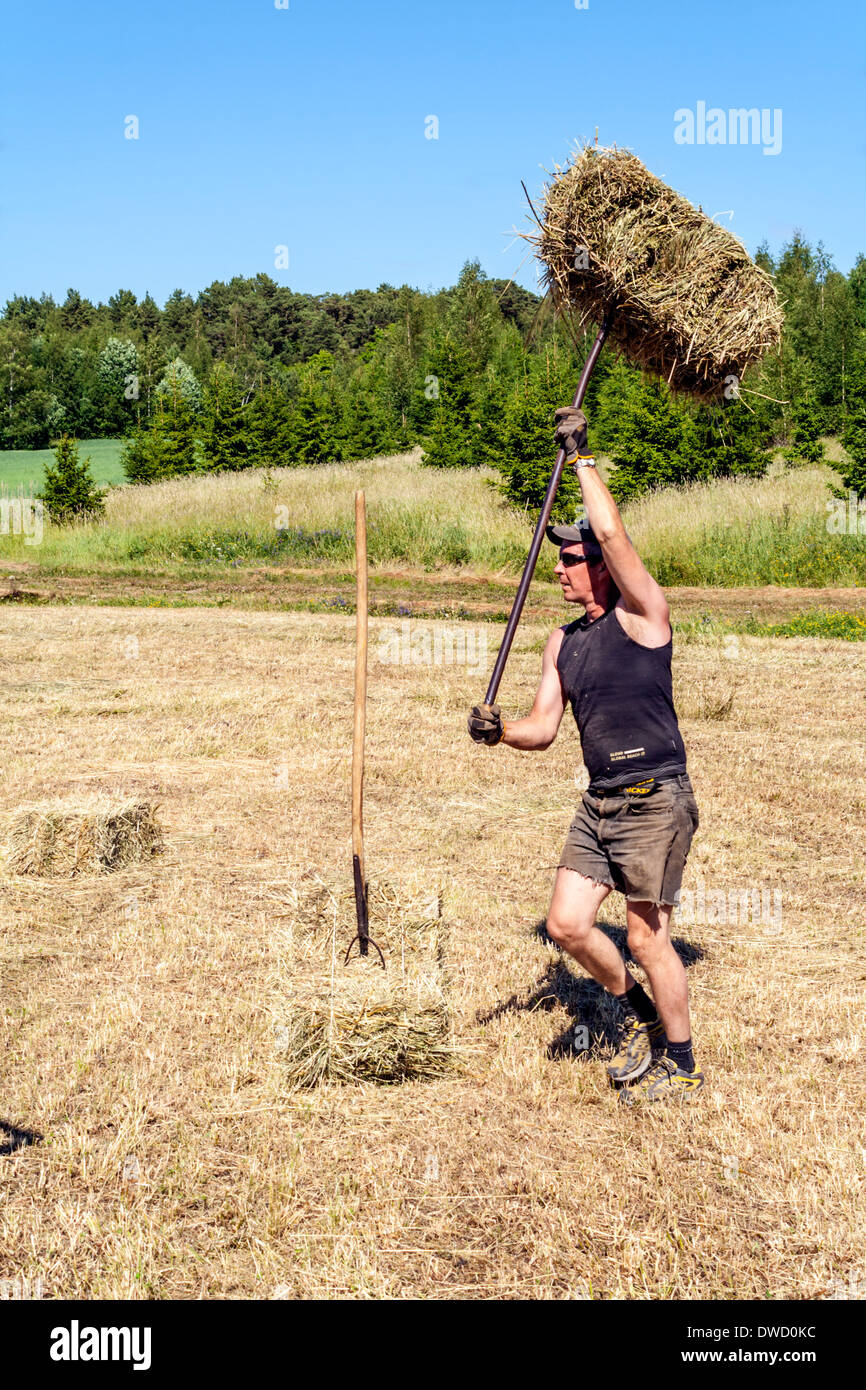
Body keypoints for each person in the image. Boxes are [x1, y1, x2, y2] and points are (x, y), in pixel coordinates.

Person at [468, 406, 703, 1103]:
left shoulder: (644, 615)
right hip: (600, 801)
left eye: (571, 560)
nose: (563, 571)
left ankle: (682, 1062)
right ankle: (639, 1018)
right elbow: (543, 728)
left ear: (604, 570)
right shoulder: (561, 643)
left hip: (654, 794)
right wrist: (501, 729)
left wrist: (582, 458)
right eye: (561, 560)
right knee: (567, 925)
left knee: (646, 938)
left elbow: (610, 529)